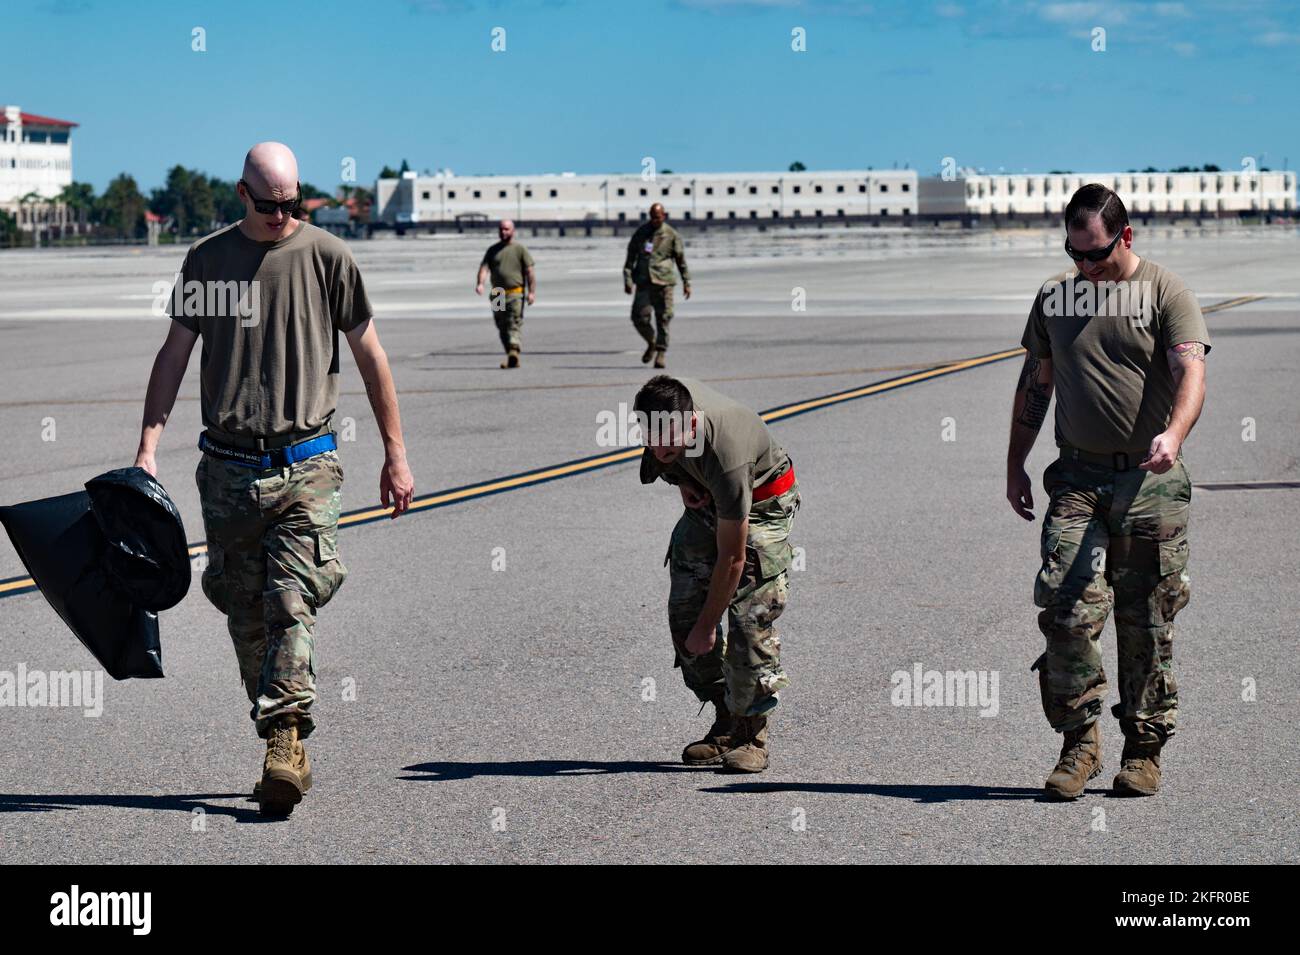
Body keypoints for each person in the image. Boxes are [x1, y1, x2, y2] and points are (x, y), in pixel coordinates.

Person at [135, 142, 415, 815]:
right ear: (242, 195)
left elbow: (371, 356)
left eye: (292, 204)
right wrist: (146, 448)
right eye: (269, 206)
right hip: (228, 469)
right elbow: (174, 354)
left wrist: (395, 453)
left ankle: (285, 741)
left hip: (308, 463)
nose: (282, 216)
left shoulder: (328, 257)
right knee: (243, 608)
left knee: (291, 600)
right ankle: (278, 730)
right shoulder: (207, 261)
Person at [1006, 183, 1209, 800]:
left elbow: (1191, 370)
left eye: (1096, 254)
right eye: (1074, 254)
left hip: (1150, 482)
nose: (1085, 266)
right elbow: (1036, 383)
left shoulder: (1165, 292)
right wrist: (1014, 463)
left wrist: (1174, 434)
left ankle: (1143, 751)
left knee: (1146, 620)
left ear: (1126, 237)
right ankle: (1080, 744)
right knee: (1066, 613)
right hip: (1078, 479)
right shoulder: (1056, 297)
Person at [635, 375, 799, 773]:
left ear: (691, 425)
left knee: (748, 617)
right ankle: (727, 717)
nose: (658, 448)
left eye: (669, 441)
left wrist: (710, 626)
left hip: (760, 504)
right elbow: (662, 454)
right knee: (685, 610)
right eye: (650, 437)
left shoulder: (728, 453)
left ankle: (751, 733)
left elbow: (732, 557)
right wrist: (683, 480)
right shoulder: (663, 408)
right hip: (709, 493)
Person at [623, 203, 690, 369]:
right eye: (652, 217)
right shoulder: (641, 233)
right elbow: (630, 258)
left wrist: (686, 282)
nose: (655, 220)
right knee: (638, 317)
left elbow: (681, 261)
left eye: (658, 217)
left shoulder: (671, 235)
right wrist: (628, 279)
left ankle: (661, 352)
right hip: (644, 282)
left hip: (664, 282)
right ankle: (651, 342)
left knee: (664, 318)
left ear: (664, 216)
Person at [476, 219, 536, 368]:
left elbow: (530, 272)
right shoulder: (492, 250)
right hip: (497, 293)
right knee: (501, 325)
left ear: (513, 231)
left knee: (513, 321)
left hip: (515, 292)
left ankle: (514, 349)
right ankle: (511, 355)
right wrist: (480, 284)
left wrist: (531, 292)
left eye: (507, 229)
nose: (503, 232)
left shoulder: (520, 249)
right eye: (501, 229)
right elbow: (484, 269)